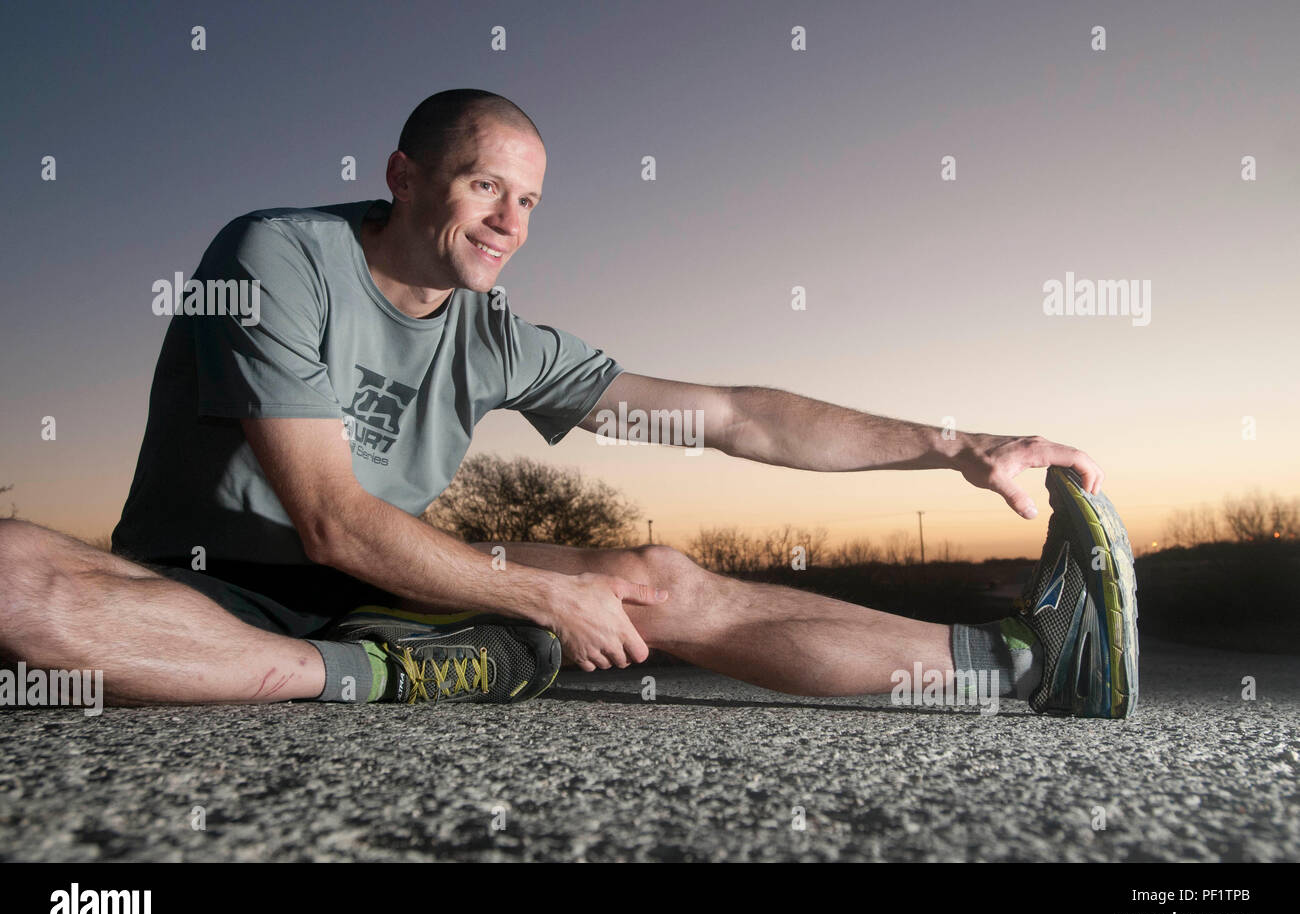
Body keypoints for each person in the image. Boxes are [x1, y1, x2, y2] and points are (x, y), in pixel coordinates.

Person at [0, 89, 1137, 717]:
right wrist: (538, 599)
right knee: (11, 570)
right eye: (485, 184)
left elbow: (729, 416)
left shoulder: (495, 336)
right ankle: (379, 674)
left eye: (530, 200)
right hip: (201, 581)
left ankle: (1032, 662)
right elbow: (328, 522)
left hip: (376, 584)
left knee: (656, 575)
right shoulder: (276, 254)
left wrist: (956, 444)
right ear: (403, 177)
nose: (509, 222)